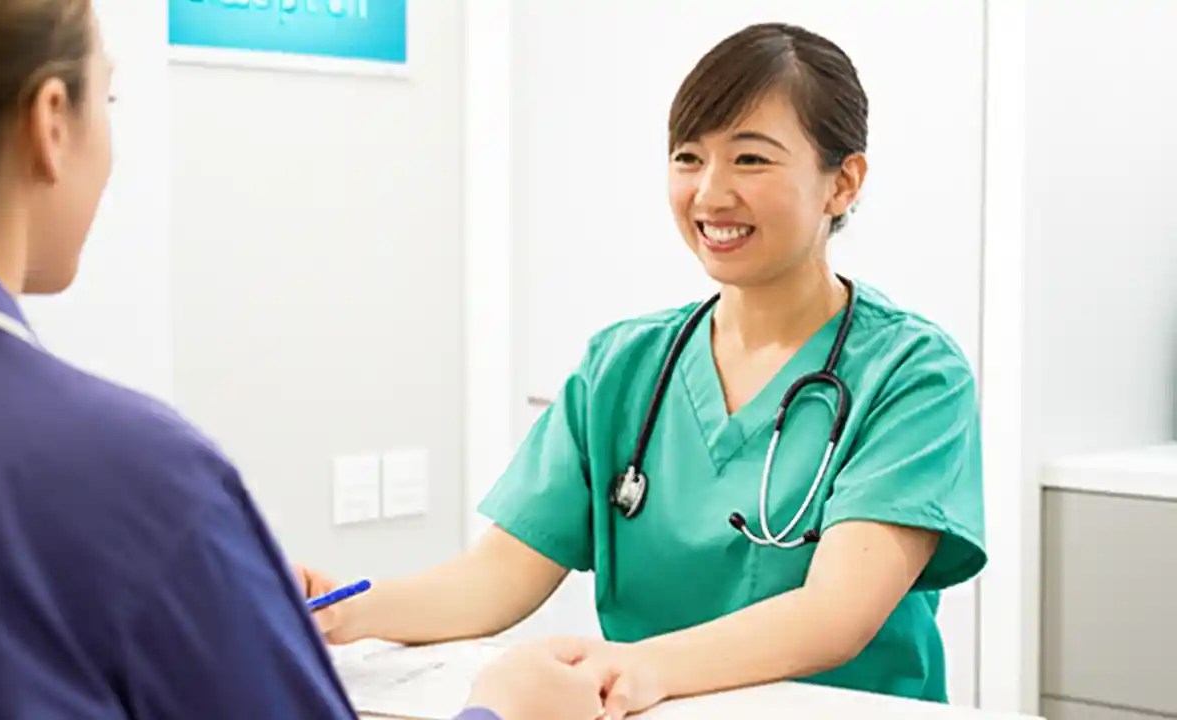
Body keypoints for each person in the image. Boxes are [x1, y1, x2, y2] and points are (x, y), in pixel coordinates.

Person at [0, 2, 610, 719]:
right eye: (106, 98)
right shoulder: (132, 475)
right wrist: (511, 711)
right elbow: (497, 575)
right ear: (51, 123)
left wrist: (338, 610)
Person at [298, 20, 987, 720]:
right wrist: (337, 610)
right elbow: (498, 578)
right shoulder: (624, 368)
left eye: (750, 160)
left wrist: (640, 666)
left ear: (843, 182)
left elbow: (837, 613)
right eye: (689, 158)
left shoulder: (912, 374)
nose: (711, 194)